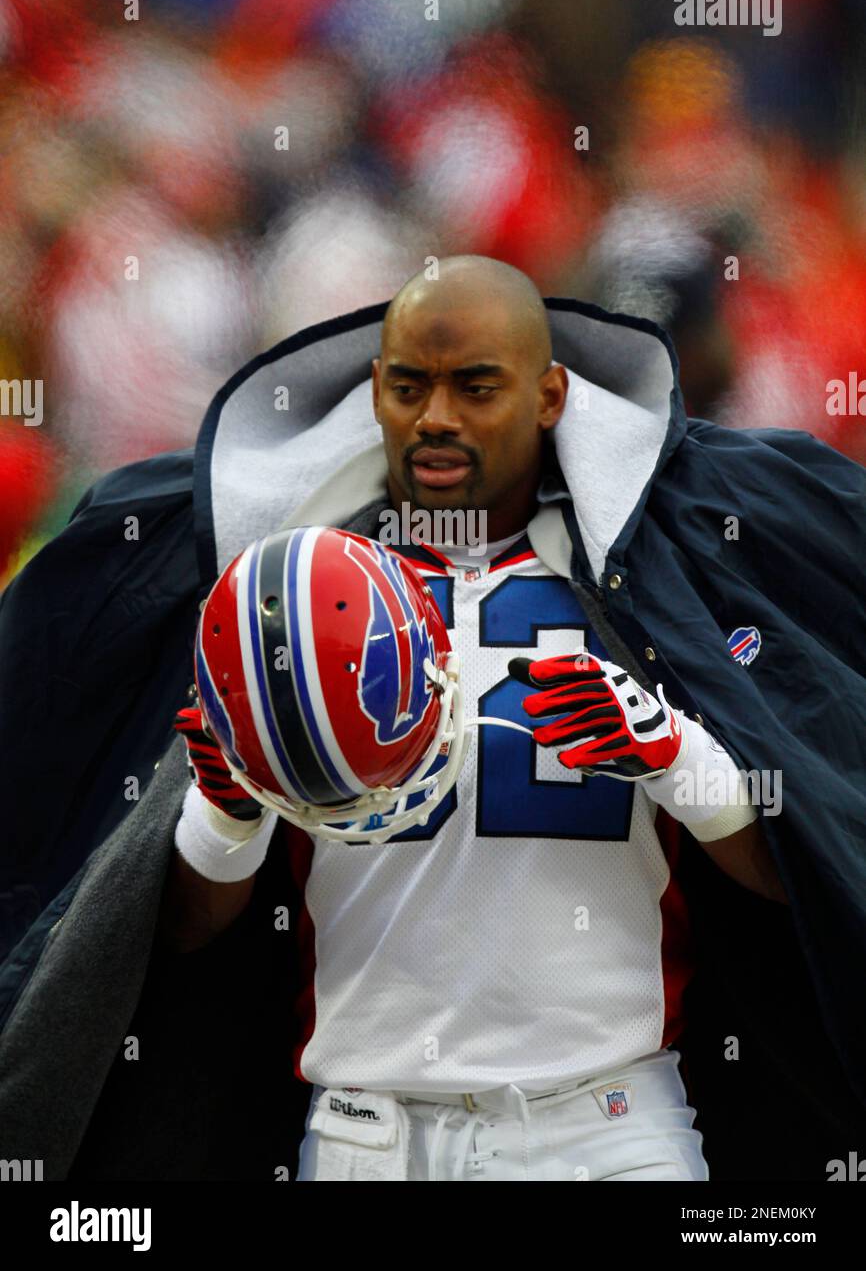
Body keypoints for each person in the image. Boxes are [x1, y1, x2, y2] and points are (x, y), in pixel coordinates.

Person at [0, 256, 864, 1181]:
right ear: (376, 389)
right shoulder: (289, 598)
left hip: (609, 1127)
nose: (437, 418)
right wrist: (226, 811)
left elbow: (805, 877)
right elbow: (178, 934)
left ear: (549, 396)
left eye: (476, 386)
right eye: (409, 386)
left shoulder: (652, 587)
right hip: (363, 1135)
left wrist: (678, 757)